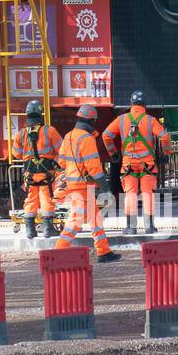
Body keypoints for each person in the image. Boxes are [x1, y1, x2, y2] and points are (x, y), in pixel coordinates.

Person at [55, 104, 121, 263]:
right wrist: (106, 189)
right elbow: (94, 168)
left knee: (95, 219)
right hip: (83, 186)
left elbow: (62, 162)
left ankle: (104, 251)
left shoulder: (69, 136)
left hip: (75, 184)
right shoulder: (86, 138)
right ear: (92, 120)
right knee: (76, 221)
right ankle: (59, 249)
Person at [102, 90, 171, 235]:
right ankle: (149, 227)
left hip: (128, 165)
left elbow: (106, 135)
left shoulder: (121, 119)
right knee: (148, 194)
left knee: (130, 195)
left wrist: (113, 154)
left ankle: (131, 227)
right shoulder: (150, 120)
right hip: (148, 165)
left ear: (131, 103)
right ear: (144, 104)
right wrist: (166, 154)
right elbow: (164, 137)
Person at [11, 99, 62, 239]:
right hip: (47, 173)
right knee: (46, 198)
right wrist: (56, 163)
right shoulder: (50, 131)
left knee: (30, 199)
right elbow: (61, 151)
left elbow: (15, 153)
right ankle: (47, 229)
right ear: (40, 114)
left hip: (30, 174)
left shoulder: (21, 133)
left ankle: (30, 230)